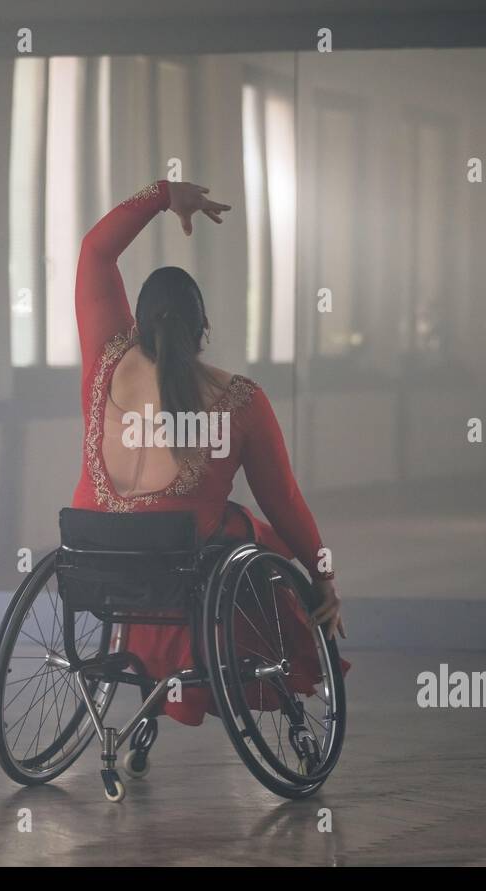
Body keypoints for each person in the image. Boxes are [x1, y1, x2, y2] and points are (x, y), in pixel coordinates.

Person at [71, 178, 348, 725]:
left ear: (139, 320)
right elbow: (284, 501)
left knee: (218, 532)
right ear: (205, 330)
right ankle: (246, 680)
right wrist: (323, 575)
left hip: (97, 555)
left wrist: (163, 194)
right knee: (251, 537)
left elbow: (95, 250)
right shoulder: (240, 400)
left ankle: (159, 684)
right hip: (177, 567)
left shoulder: (105, 357)